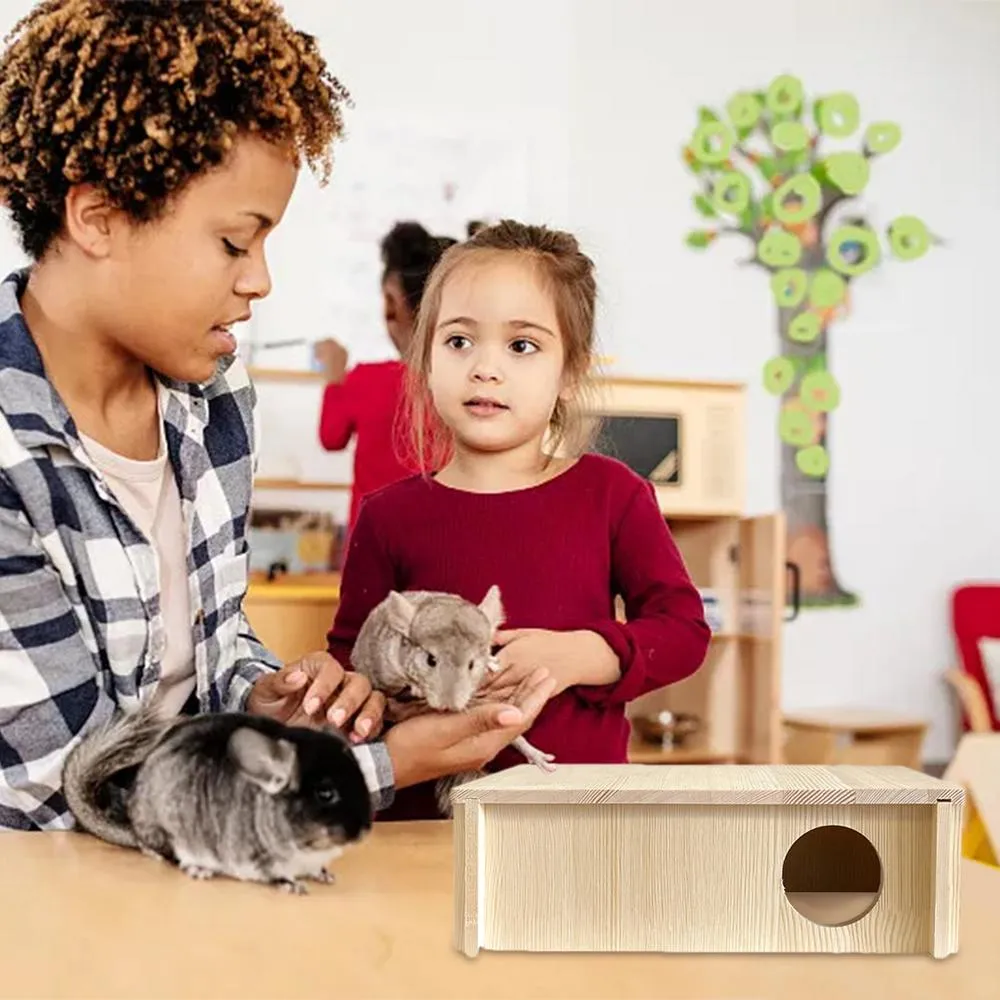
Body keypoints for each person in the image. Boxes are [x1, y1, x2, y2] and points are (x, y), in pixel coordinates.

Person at [0, 0, 553, 833]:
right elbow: (70, 793)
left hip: (192, 886)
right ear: (98, 216)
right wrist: (384, 762)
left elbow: (204, 661)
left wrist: (272, 701)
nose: (261, 281)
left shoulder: (212, 399)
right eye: (234, 242)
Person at [327, 220, 712, 821]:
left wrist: (580, 655)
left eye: (522, 346)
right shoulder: (387, 516)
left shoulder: (613, 495)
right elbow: (355, 660)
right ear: (424, 361)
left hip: (576, 823)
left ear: (570, 372)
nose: (485, 368)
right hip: (421, 828)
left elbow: (684, 630)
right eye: (458, 342)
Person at [314, 222, 457, 536]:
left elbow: (331, 436)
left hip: (373, 547)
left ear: (391, 303)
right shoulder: (469, 383)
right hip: (447, 541)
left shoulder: (366, 380)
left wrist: (335, 377)